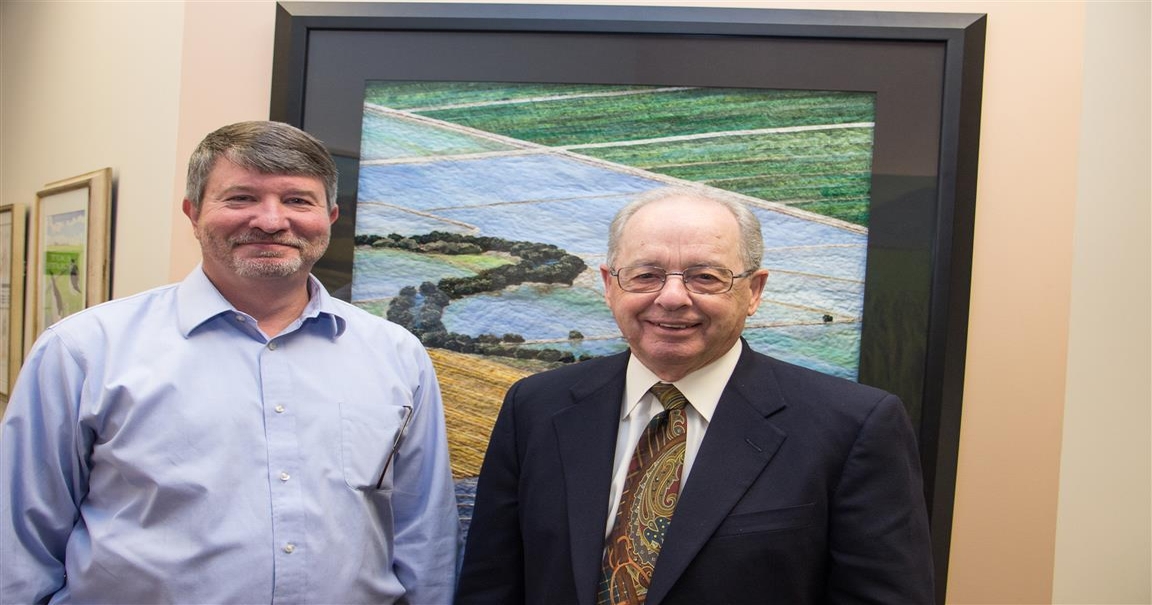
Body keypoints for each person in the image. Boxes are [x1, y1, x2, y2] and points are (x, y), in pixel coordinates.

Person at [0, 121, 459, 604]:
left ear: (331, 216)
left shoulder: (396, 355)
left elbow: (424, 537)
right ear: (193, 213)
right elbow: (20, 543)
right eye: (240, 198)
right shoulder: (83, 351)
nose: (270, 220)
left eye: (297, 200)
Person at [456, 187, 934, 604]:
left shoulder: (853, 428)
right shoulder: (535, 408)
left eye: (706, 277)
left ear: (754, 290)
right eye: (645, 275)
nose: (671, 297)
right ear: (608, 285)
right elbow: (491, 586)